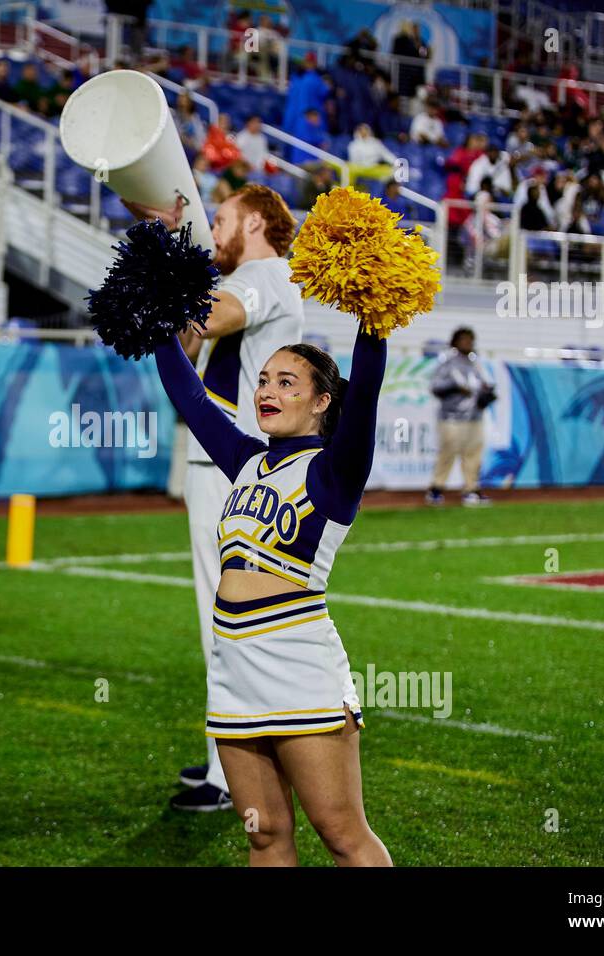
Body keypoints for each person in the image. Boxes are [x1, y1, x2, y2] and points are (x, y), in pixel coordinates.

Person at [150, 299, 392, 865]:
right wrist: (156, 319)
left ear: (322, 402)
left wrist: (374, 315)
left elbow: (369, 391)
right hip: (234, 668)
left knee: (341, 833)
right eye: (263, 380)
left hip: (297, 665)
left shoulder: (335, 471)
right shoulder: (247, 460)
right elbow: (187, 394)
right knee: (264, 833)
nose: (268, 391)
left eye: (287, 383)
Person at [124, 184, 304, 811]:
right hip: (236, 466)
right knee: (227, 619)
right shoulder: (259, 276)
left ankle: (234, 777)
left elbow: (208, 318)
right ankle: (231, 762)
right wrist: (166, 244)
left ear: (255, 221)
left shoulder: (264, 273)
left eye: (220, 220)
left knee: (224, 620)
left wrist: (173, 252)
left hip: (235, 468)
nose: (213, 230)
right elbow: (191, 343)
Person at [426, 327, 493, 506]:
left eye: (470, 340)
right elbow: (435, 386)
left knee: (473, 454)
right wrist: (454, 388)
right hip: (451, 416)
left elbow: (486, 384)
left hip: (474, 416)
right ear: (455, 342)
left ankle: (471, 490)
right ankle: (436, 489)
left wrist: (487, 395)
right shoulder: (447, 361)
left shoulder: (475, 362)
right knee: (448, 452)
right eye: (463, 340)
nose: (467, 344)